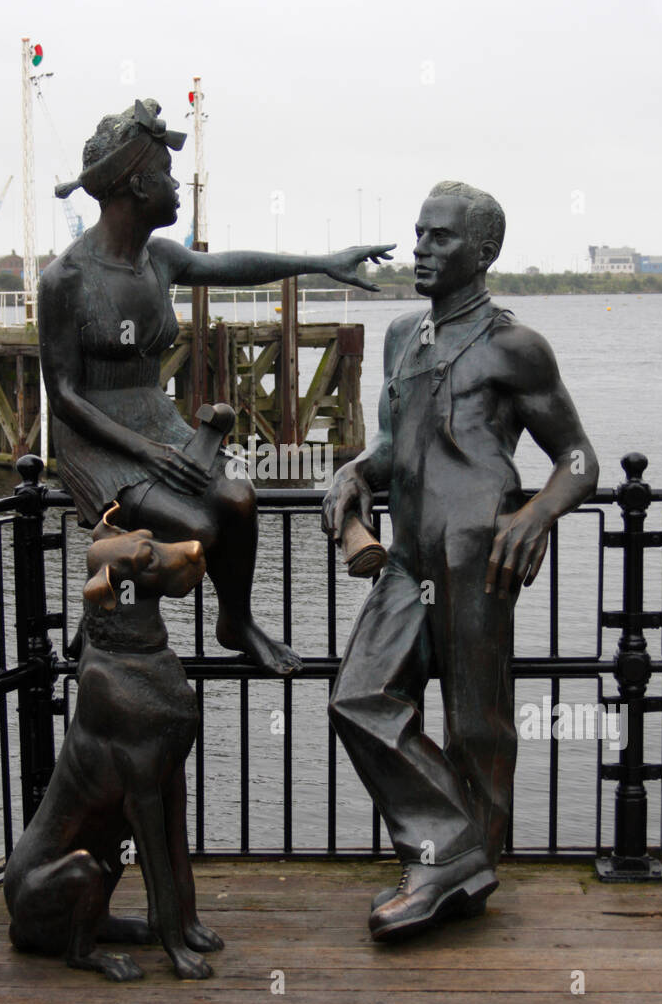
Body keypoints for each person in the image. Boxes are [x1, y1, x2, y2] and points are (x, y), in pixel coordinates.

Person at [322, 180, 598, 939]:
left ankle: (450, 873)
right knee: (359, 698)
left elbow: (578, 458)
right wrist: (353, 472)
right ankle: (454, 851)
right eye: (417, 234)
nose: (420, 249)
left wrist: (539, 512)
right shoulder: (400, 334)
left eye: (440, 238)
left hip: (477, 552)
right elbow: (389, 446)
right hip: (407, 556)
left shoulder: (513, 346)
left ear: (483, 252)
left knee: (476, 724)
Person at [39, 98, 394, 676]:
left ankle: (237, 621)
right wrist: (146, 452)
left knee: (239, 496)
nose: (178, 188)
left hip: (156, 419)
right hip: (99, 438)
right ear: (135, 185)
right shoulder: (66, 279)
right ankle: (106, 618)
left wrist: (323, 261)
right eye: (167, 176)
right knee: (198, 526)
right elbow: (64, 397)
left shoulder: (159, 259)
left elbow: (234, 264)